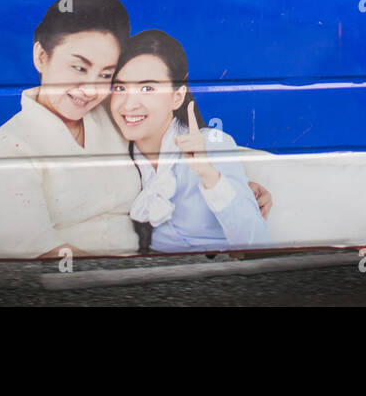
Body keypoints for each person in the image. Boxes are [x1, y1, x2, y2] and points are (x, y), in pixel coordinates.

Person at [0, 0, 273, 259]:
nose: (90, 89)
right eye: (79, 68)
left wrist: (229, 188)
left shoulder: (110, 115)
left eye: (106, 75)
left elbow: (165, 149)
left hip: (140, 274)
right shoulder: (10, 146)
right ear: (41, 57)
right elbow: (33, 247)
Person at [110, 29, 269, 253]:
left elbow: (258, 243)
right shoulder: (114, 149)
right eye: (120, 88)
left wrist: (209, 176)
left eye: (147, 88)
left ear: (177, 97)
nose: (128, 104)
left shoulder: (212, 144)